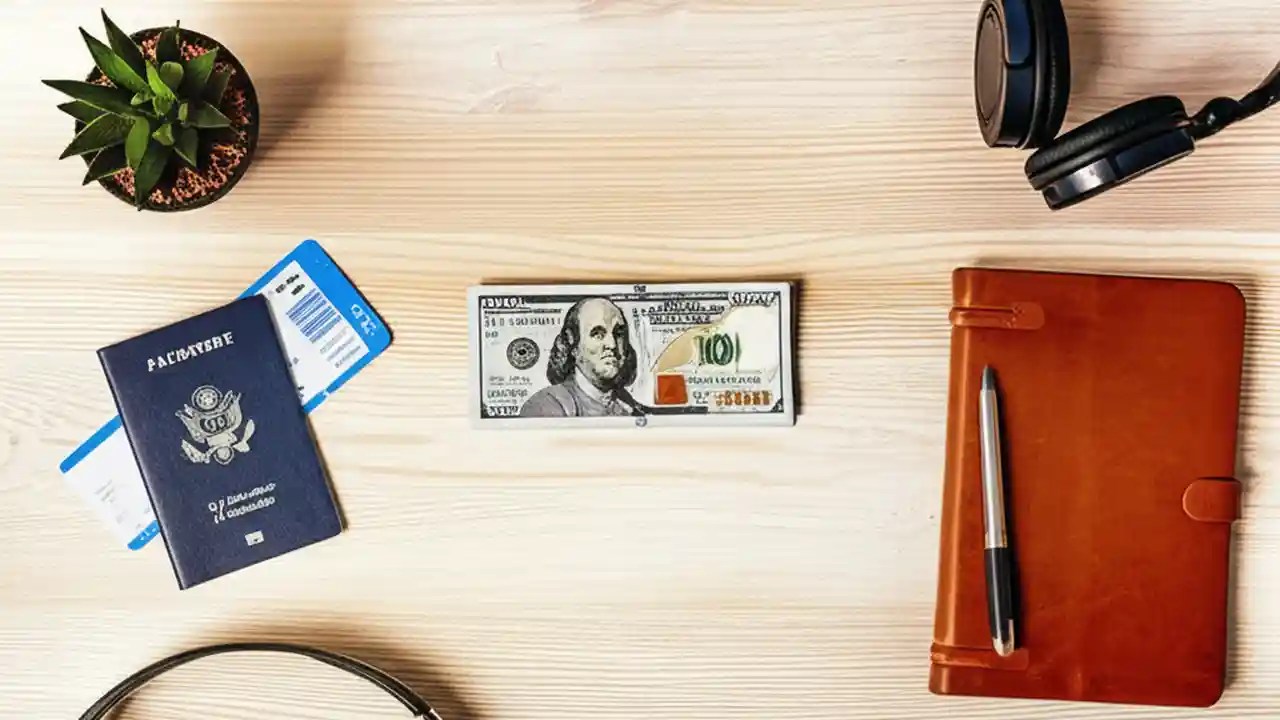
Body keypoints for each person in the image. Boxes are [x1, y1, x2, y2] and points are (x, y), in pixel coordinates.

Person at [520, 297, 641, 417]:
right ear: (572, 341)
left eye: (619, 333)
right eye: (598, 334)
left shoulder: (630, 406)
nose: (612, 344)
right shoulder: (545, 405)